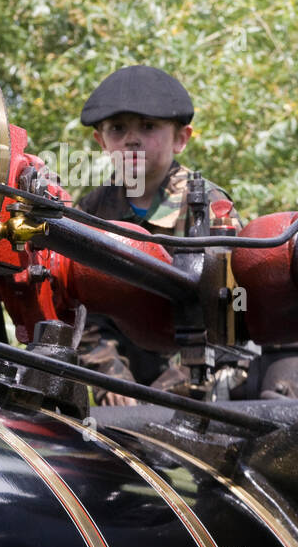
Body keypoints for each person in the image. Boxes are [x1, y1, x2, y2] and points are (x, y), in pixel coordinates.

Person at [73, 65, 239, 406]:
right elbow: (81, 310)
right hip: (120, 378)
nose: (131, 139)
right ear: (101, 141)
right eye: (117, 129)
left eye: (147, 127)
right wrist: (112, 380)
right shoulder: (92, 210)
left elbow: (230, 316)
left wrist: (167, 392)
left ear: (181, 138)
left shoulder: (210, 207)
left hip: (196, 375)